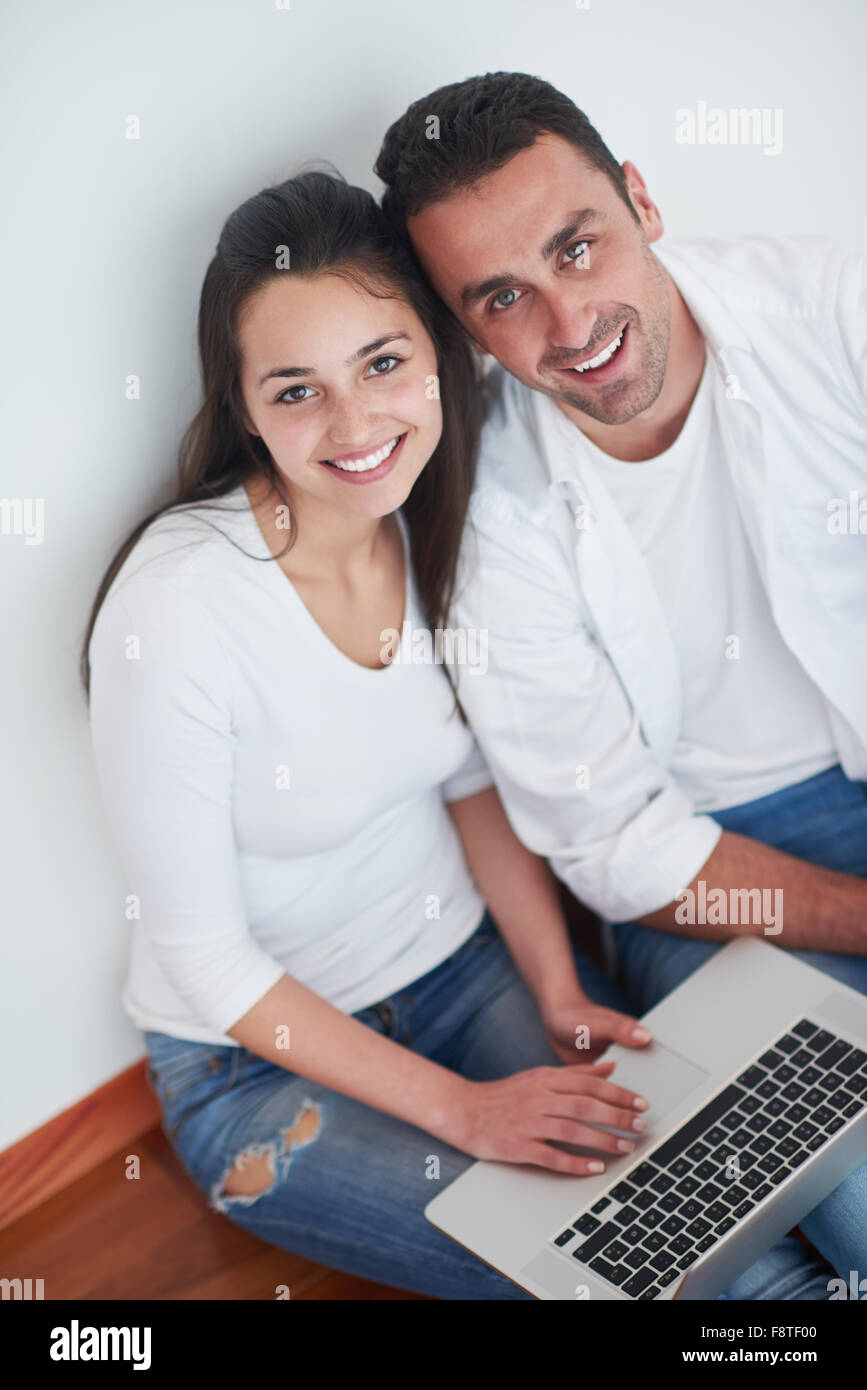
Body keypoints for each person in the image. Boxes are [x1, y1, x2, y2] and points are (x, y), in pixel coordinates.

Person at [82, 169, 661, 1302]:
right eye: (296, 391)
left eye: (383, 364)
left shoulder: (438, 512)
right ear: (243, 406)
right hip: (246, 1066)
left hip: (462, 970)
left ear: (438, 350)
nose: (354, 428)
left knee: (684, 1199)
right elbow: (204, 961)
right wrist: (468, 1111)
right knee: (594, 1273)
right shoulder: (179, 608)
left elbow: (467, 782)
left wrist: (555, 986)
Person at [374, 71, 867, 1295]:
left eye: (578, 247)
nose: (570, 321)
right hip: (724, 870)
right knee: (848, 1188)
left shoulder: (833, 306)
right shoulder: (482, 515)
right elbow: (623, 851)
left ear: (640, 200)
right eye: (504, 298)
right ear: (465, 328)